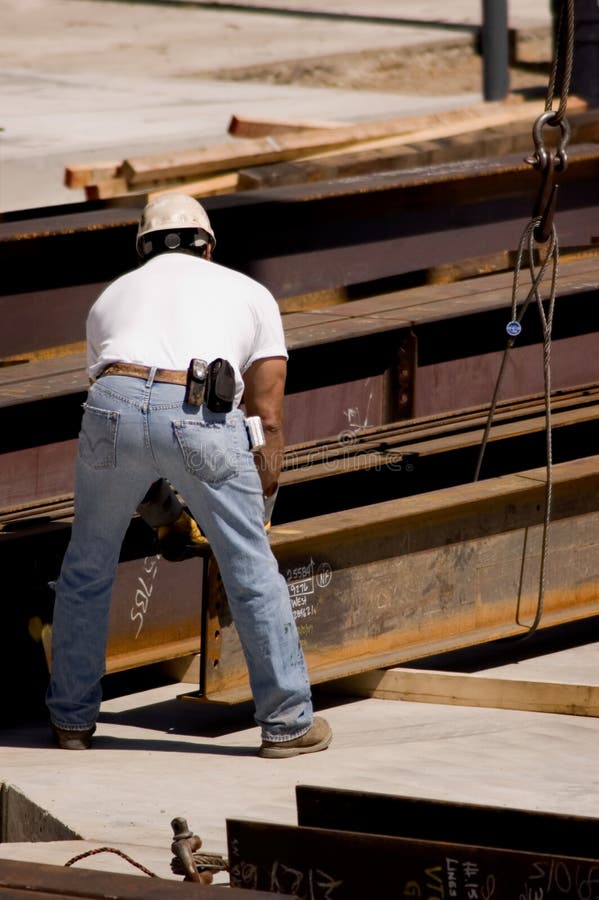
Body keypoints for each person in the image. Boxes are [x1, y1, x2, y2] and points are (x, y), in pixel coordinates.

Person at [46, 193, 332, 758]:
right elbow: (267, 415)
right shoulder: (249, 292)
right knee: (251, 567)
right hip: (199, 407)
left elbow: (131, 425)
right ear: (207, 246)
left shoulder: (109, 298)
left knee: (87, 567)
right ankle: (288, 723)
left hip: (114, 400)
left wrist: (163, 513)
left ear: (142, 248)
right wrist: (261, 505)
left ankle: (72, 722)